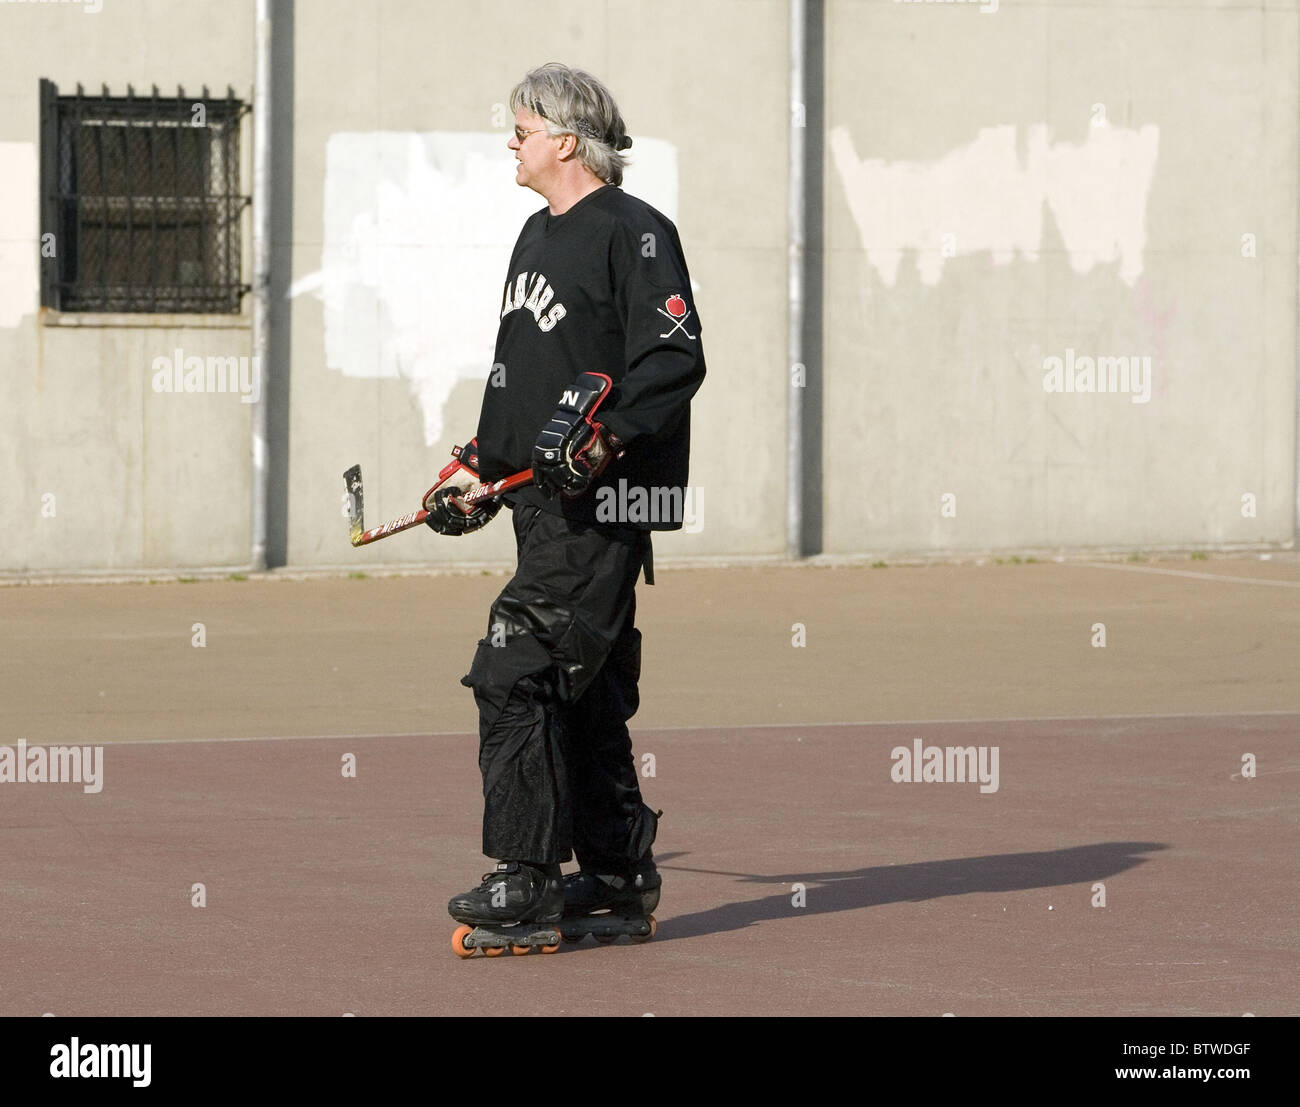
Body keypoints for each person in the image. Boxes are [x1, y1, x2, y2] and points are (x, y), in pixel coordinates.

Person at [426, 62, 706, 934]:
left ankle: (524, 876)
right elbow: (523, 374)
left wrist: (608, 435)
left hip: (606, 505)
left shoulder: (637, 231)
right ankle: (618, 876)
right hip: (538, 506)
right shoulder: (532, 237)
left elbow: (674, 359)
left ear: (567, 139)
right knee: (579, 690)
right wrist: (481, 462)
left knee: (515, 667)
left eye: (521, 128)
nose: (509, 142)